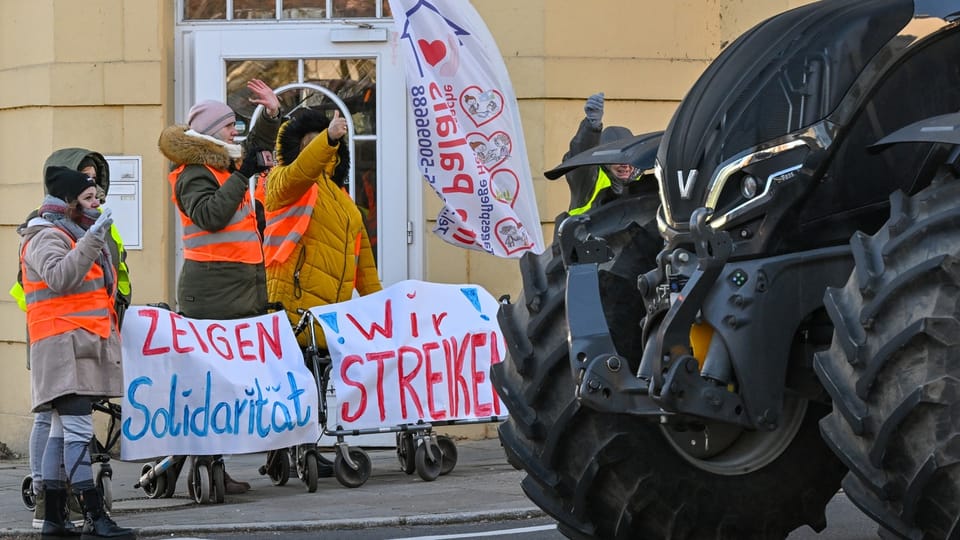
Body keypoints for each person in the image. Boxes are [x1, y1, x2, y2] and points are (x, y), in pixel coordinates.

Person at [157, 79, 283, 495]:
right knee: (210, 387)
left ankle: (213, 463)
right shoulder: (193, 173)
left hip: (238, 290)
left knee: (229, 386)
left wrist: (272, 112)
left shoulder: (222, 163)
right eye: (230, 127)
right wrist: (243, 174)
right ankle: (196, 461)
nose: (236, 133)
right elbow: (210, 215)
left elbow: (253, 148)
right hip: (211, 293)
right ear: (212, 133)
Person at [9, 148, 131, 531]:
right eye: (89, 198)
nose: (97, 203)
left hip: (76, 344)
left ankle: (53, 521)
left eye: (97, 196)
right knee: (75, 433)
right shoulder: (45, 235)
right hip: (61, 346)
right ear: (68, 202)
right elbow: (61, 277)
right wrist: (93, 240)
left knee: (62, 434)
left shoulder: (73, 231)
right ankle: (95, 517)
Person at [260, 108, 381, 476]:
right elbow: (301, 171)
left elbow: (363, 262)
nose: (323, 149)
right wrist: (328, 138)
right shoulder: (284, 182)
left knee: (315, 383)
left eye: (327, 142)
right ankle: (297, 450)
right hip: (293, 305)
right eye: (311, 143)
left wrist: (379, 306)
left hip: (329, 311)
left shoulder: (341, 198)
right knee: (299, 385)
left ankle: (292, 451)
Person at [563, 92, 643, 215]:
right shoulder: (589, 180)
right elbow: (580, 158)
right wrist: (591, 128)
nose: (625, 165)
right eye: (618, 158)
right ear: (604, 158)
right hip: (582, 233)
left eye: (629, 157)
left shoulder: (643, 182)